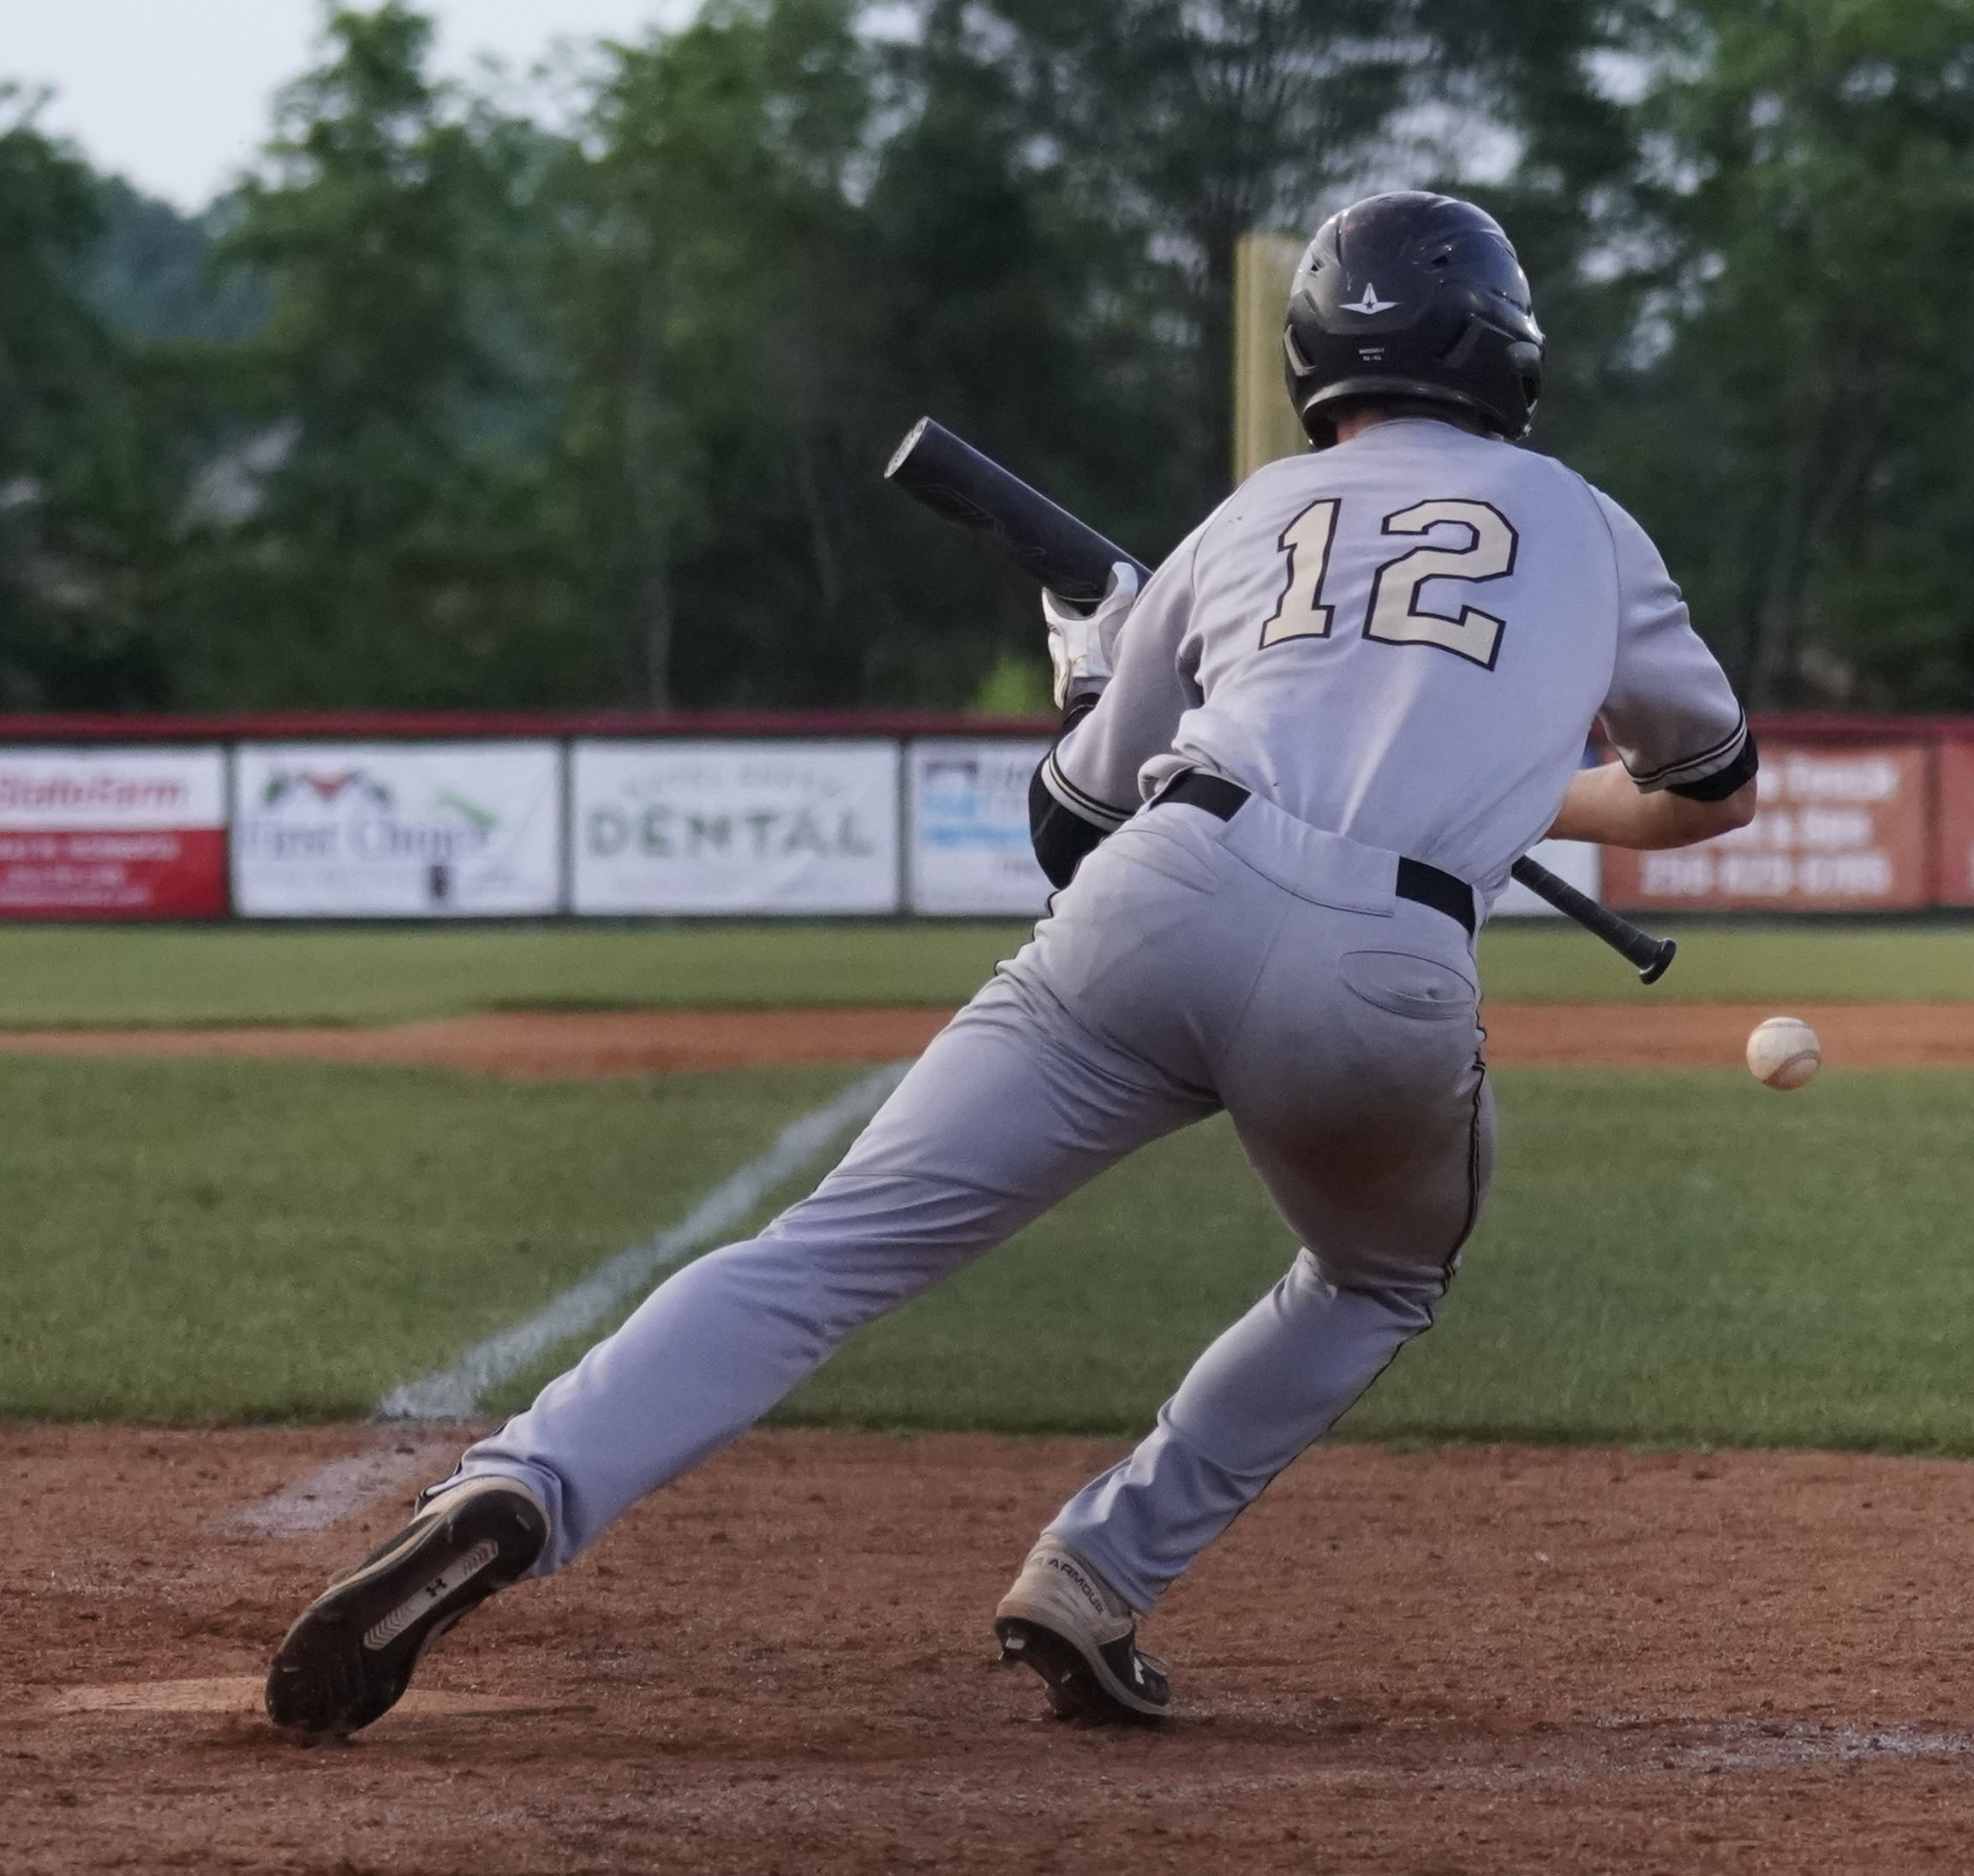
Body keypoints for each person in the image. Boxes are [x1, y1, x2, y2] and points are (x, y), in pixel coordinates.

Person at [265, 190, 1757, 1736]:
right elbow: (1712, 783)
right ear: (1507, 347)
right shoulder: (1586, 520)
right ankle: (1098, 1570)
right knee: (1379, 1274)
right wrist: (1520, 783)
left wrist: (1098, 664)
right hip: (1390, 962)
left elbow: (1073, 822)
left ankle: (519, 1480)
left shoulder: (1252, 514)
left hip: (1162, 890)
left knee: (824, 1253)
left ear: (1321, 352)